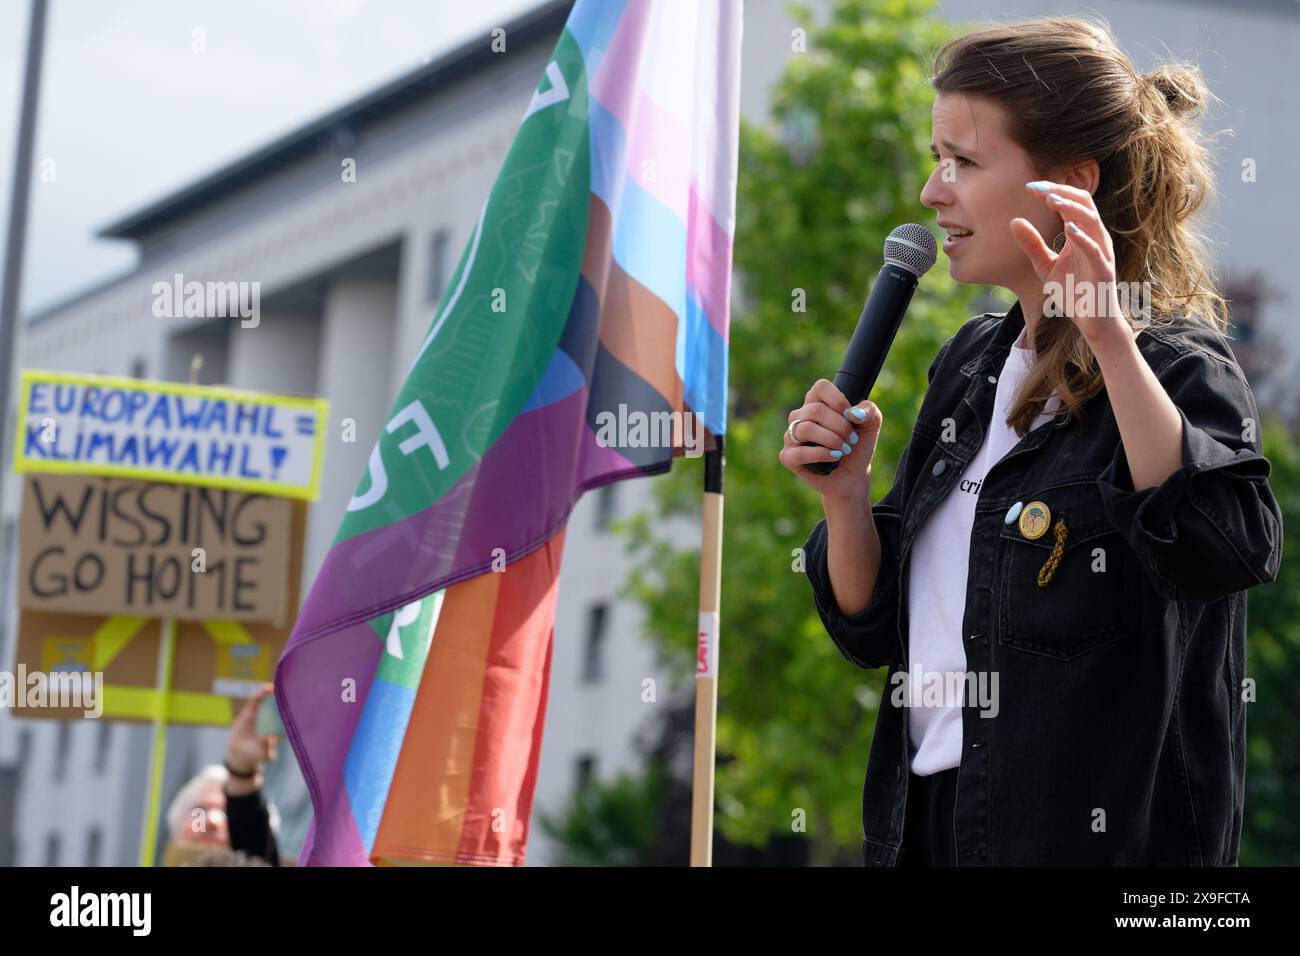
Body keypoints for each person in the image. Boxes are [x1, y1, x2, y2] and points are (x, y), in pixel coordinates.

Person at [781, 16, 1283, 866]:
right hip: (929, 830)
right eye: (937, 159)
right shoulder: (970, 366)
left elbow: (1219, 546)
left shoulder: (1178, 365)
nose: (933, 193)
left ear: (1070, 187)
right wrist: (845, 498)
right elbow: (874, 631)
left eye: (964, 163)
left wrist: (1109, 341)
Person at [162, 684, 282, 866]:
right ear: (175, 833)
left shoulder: (256, 851)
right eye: (199, 812)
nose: (211, 822)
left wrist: (242, 768)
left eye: (228, 814)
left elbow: (254, 848)